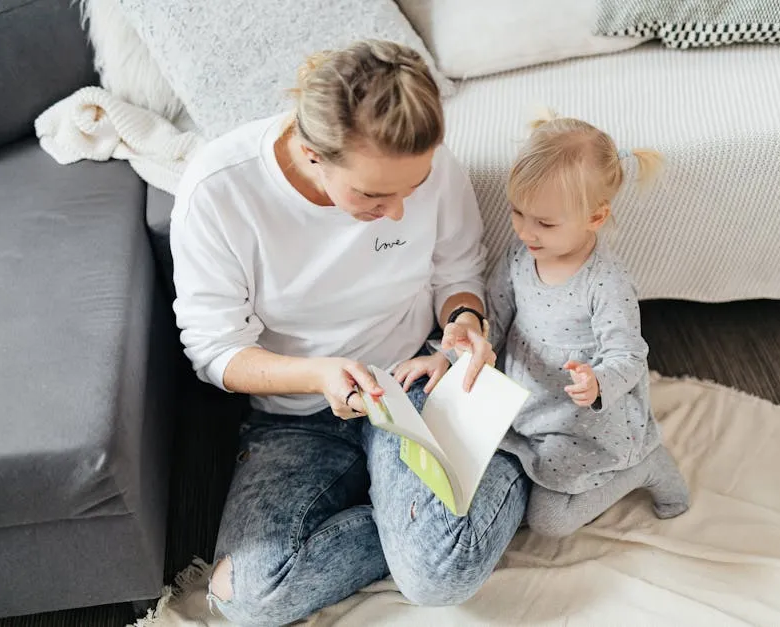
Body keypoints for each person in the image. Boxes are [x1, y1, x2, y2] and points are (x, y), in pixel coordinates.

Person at [170, 40, 528, 626]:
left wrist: (463, 322)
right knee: (247, 599)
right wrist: (316, 373)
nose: (395, 212)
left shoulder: (428, 169)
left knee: (442, 576)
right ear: (312, 153)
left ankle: (506, 459)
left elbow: (458, 274)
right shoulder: (220, 192)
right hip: (292, 415)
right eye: (373, 194)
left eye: (410, 190)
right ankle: (413, 514)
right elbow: (214, 350)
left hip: (408, 380)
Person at [486, 113, 690, 538]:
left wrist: (597, 383)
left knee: (548, 523)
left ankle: (643, 468)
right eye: (518, 213)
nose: (526, 231)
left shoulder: (604, 282)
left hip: (583, 421)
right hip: (530, 404)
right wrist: (473, 345)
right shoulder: (522, 252)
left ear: (594, 219)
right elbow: (497, 313)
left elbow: (629, 355)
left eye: (544, 223)